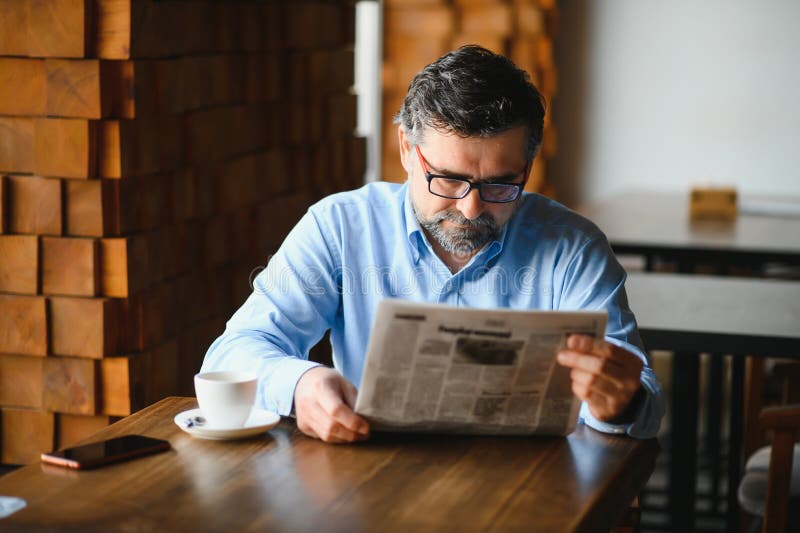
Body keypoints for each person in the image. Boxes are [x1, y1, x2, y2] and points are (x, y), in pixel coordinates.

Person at [202, 45, 664, 443]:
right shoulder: (339, 226)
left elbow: (643, 397)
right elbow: (235, 350)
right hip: (371, 479)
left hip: (532, 488)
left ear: (528, 164)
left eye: (502, 185)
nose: (470, 208)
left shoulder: (572, 248)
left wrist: (617, 403)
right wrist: (300, 382)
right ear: (406, 147)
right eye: (447, 179)